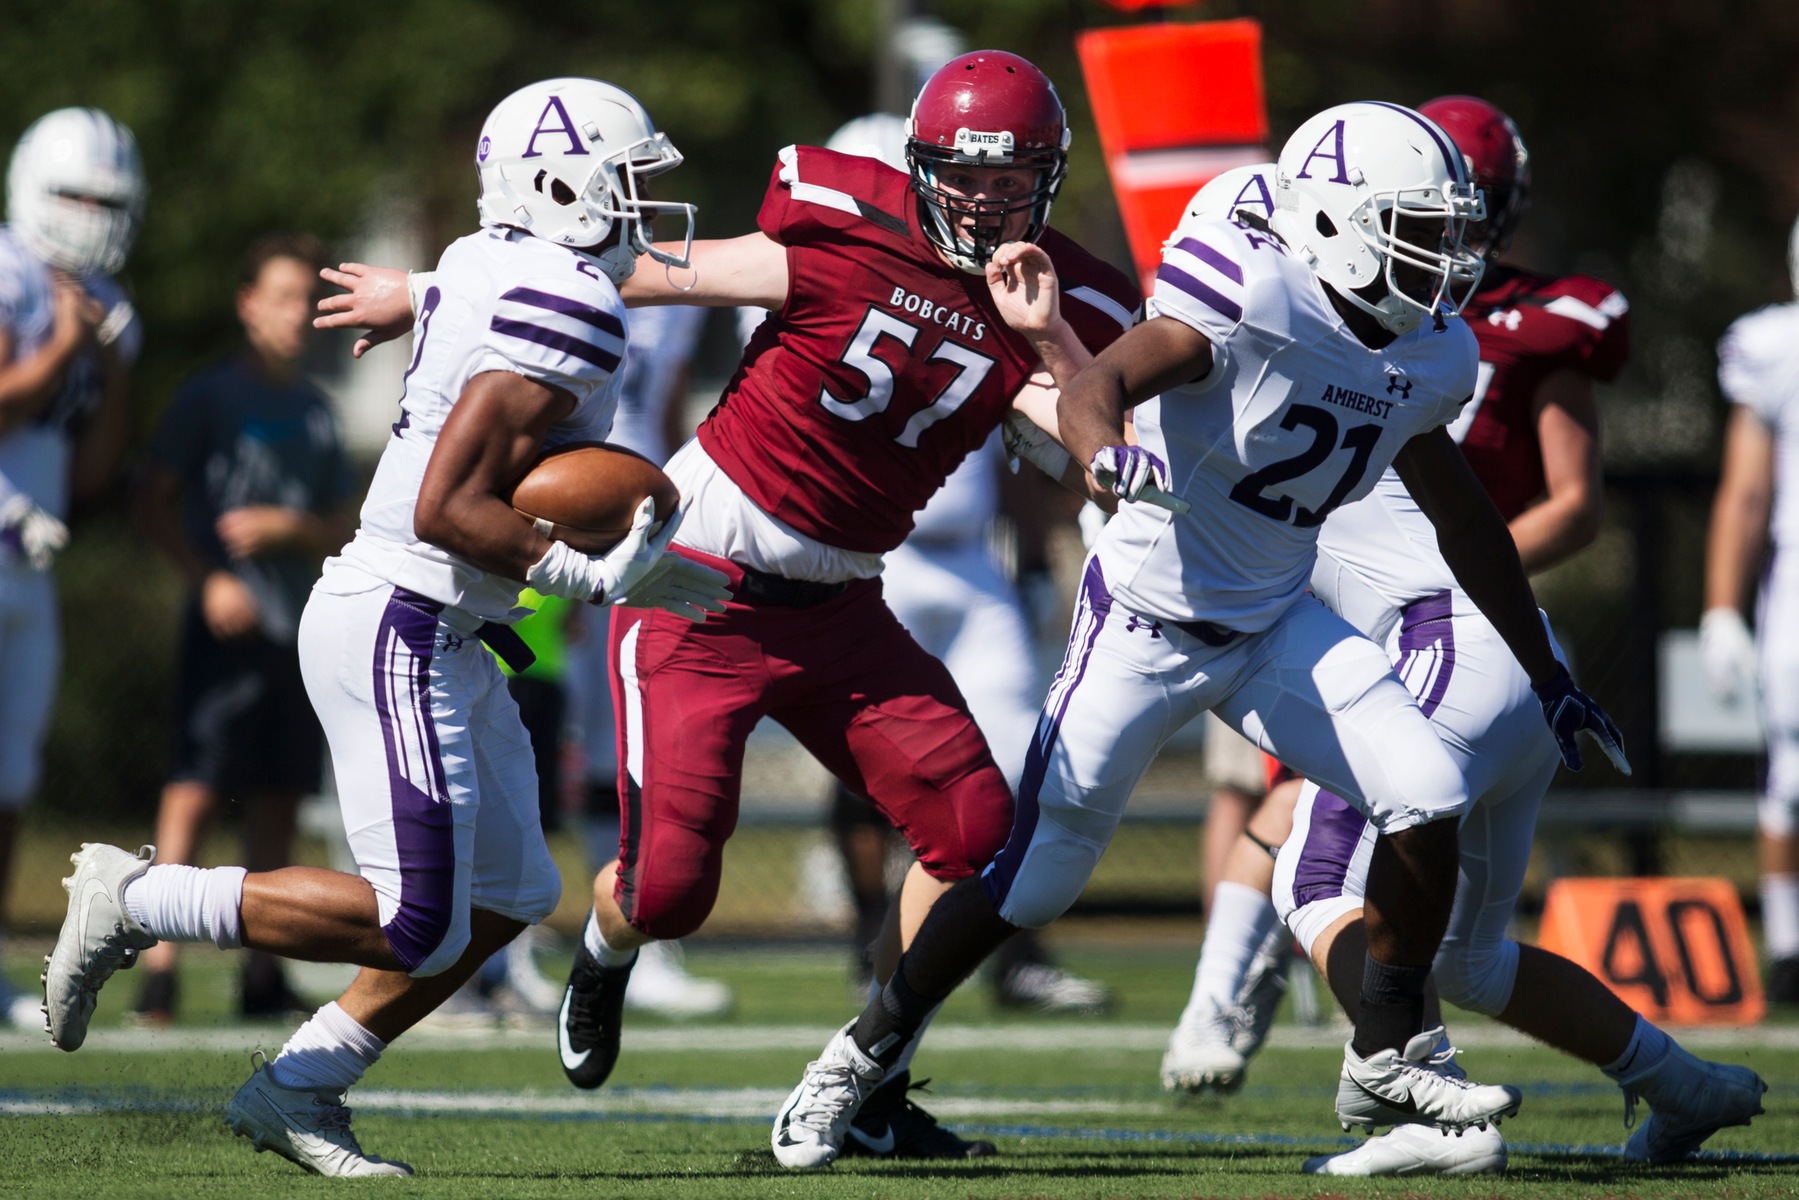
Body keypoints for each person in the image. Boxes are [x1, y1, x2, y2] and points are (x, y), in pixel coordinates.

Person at [768, 99, 1637, 1170]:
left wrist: (1543, 672)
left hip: (1273, 620)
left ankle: (1386, 1046)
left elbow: (1462, 519)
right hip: (1144, 618)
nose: (1442, 261)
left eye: (1443, 231)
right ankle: (855, 1059)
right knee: (1035, 877)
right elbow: (1099, 382)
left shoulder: (1431, 352)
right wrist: (1098, 457)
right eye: (1413, 231)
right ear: (1332, 226)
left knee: (1426, 790)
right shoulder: (1252, 292)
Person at [315, 51, 1142, 1161]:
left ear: (1048, 175)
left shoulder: (1060, 295)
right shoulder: (845, 225)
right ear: (918, 165)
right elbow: (643, 268)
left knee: (979, 838)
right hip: (697, 585)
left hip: (843, 602)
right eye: (965, 175)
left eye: (1013, 178)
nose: (987, 201)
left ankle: (867, 1078)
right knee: (668, 889)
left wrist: (1043, 332)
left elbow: (1105, 455)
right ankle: (607, 953)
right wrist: (425, 294)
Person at [41, 78, 729, 1178]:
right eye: (621, 183)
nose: (637, 210)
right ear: (559, 185)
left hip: (439, 622)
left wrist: (408, 293)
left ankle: (297, 1087)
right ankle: (138, 897)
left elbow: (462, 284)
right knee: (413, 921)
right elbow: (443, 508)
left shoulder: (479, 262)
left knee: (509, 898)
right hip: (406, 613)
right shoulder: (567, 305)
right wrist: (592, 577)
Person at [1166, 95, 1632, 1100]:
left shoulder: (1477, 335)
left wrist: (1469, 582)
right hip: (1321, 589)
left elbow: (1541, 508)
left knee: (1310, 848)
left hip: (1430, 613)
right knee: (1428, 923)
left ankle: (1383, 1067)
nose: (1455, 244)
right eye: (1423, 221)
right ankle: (1677, 1085)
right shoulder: (1289, 300)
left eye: (1473, 211)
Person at [130, 232, 356, 1025]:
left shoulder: (317, 413)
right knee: (193, 790)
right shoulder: (211, 397)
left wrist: (287, 530)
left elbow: (341, 523)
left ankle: (264, 973)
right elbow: (151, 497)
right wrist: (212, 578)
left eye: (307, 300)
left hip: (297, 634)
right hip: (224, 630)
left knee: (278, 801)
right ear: (248, 305)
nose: (298, 315)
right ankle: (156, 968)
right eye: (285, 297)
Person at [0, 107, 144, 1028]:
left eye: (109, 199)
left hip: (31, 561)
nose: (93, 213)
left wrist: (113, 369)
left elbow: (92, 471)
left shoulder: (107, 308)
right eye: (77, 195)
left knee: (11, 773)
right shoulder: (12, 273)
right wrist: (62, 346)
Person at [1703, 212, 1799, 1006]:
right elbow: (1744, 493)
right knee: (1791, 770)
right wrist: (1720, 608)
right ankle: (1790, 947)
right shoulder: (1775, 348)